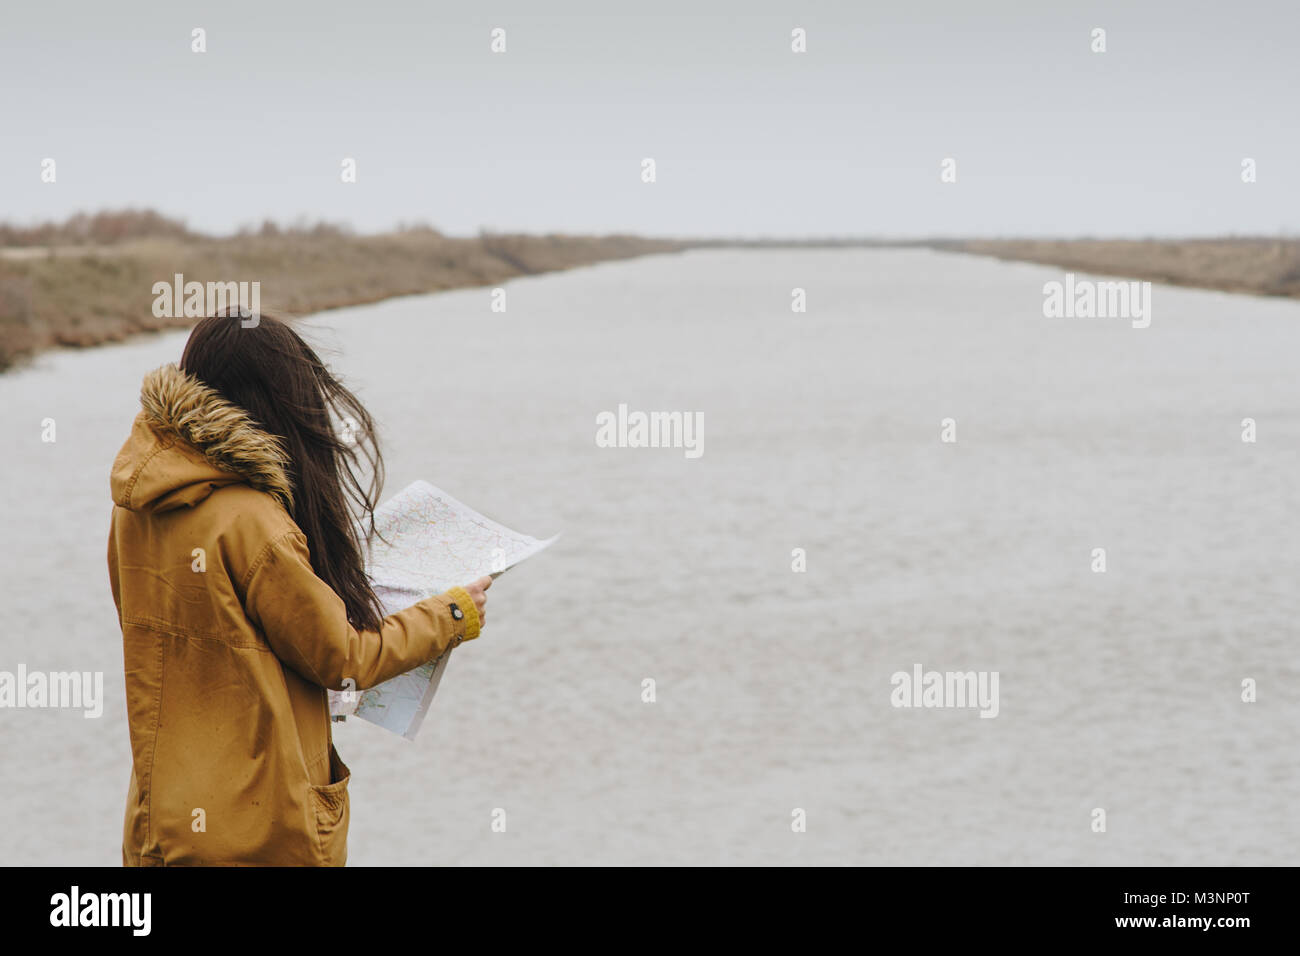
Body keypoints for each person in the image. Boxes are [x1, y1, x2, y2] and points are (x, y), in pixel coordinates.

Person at [107, 308, 489, 865]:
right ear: (271, 402)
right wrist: (452, 614)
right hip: (258, 833)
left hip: (159, 826)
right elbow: (343, 658)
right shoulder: (253, 522)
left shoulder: (135, 508)